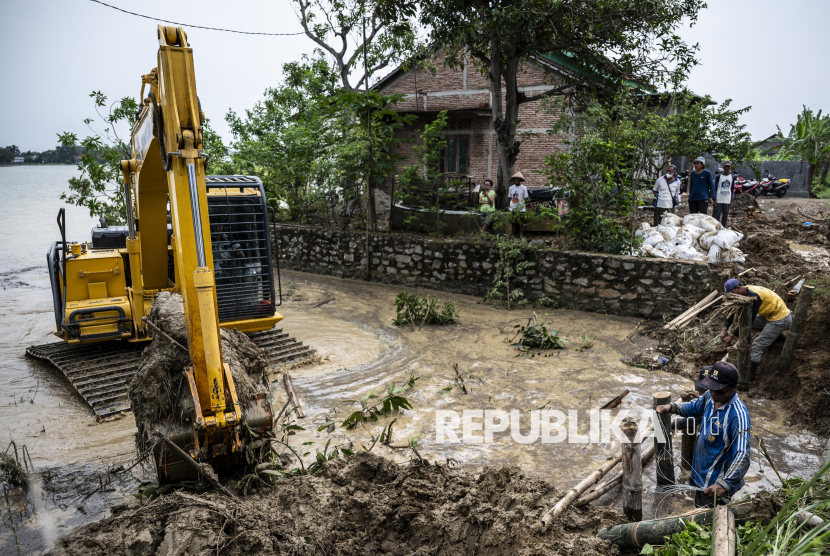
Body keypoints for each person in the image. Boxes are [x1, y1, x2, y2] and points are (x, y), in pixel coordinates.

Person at [656, 361, 751, 508]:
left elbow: (742, 455)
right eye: (711, 388)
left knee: (710, 518)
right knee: (698, 509)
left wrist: (725, 484)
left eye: (719, 391)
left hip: (716, 485)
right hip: (701, 475)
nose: (713, 393)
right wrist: (672, 407)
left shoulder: (738, 416)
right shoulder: (710, 397)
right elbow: (694, 406)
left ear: (734, 388)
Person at [721, 279, 792, 382]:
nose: (732, 295)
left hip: (780, 319)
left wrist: (732, 335)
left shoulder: (755, 296)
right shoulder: (745, 292)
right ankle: (777, 336)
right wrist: (724, 329)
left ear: (738, 288)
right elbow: (732, 311)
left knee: (756, 346)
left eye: (732, 292)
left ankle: (750, 375)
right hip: (768, 316)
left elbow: (750, 320)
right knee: (742, 320)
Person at [712, 161, 735, 227]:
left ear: (730, 167)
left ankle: (724, 228)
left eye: (728, 166)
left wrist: (731, 200)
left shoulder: (732, 177)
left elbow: (732, 189)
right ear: (723, 167)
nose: (727, 168)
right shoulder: (718, 176)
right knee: (717, 215)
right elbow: (715, 188)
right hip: (719, 199)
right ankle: (715, 228)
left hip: (727, 199)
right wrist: (715, 199)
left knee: (725, 216)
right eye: (726, 166)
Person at [508, 171, 529, 237]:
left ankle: (521, 237)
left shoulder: (524, 188)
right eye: (515, 179)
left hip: (521, 208)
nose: (516, 180)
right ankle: (513, 236)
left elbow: (526, 198)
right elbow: (510, 198)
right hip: (513, 208)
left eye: (517, 179)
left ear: (520, 180)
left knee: (521, 223)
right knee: (513, 223)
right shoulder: (511, 188)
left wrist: (523, 206)